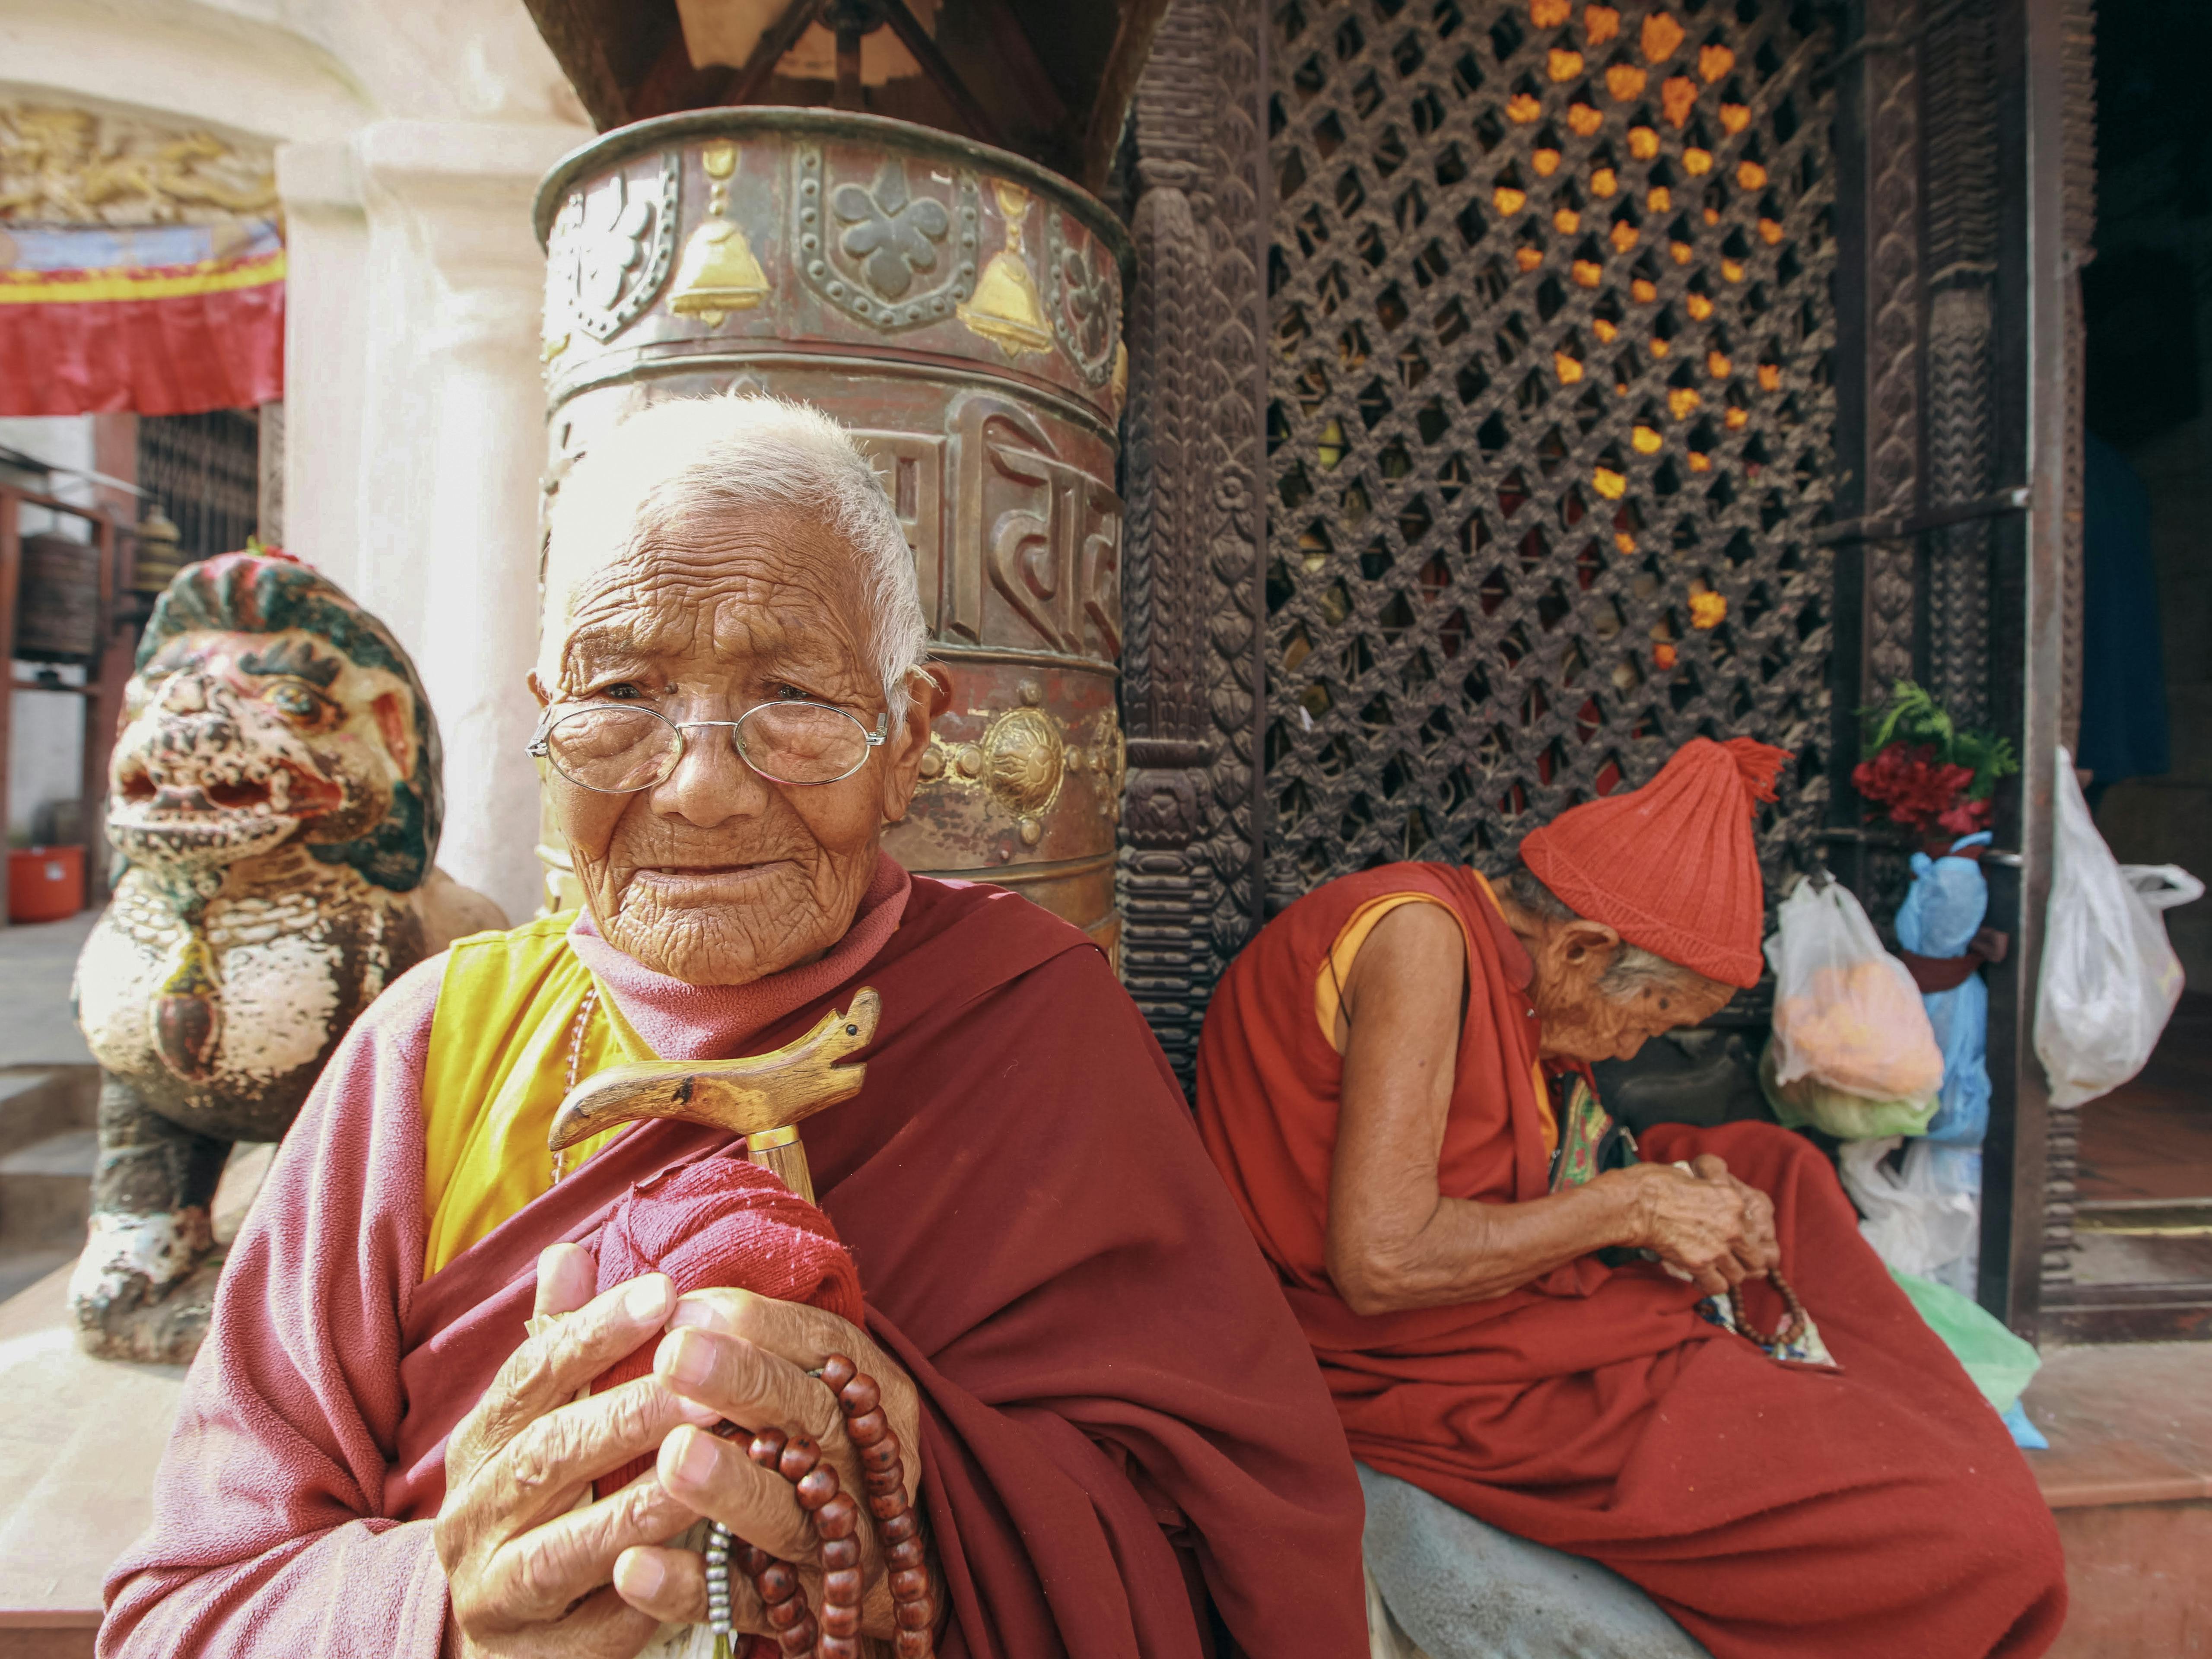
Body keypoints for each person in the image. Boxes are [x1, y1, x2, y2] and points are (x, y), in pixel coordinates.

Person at [101, 394, 1367, 1659]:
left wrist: (938, 1520)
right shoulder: (431, 1047)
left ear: (908, 738)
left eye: (793, 696)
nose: (701, 788)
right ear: (550, 725)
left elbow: (1242, 1555)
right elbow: (185, 1611)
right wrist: (443, 1610)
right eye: (622, 695)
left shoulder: (1033, 1018)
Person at [1194, 738, 2068, 1659]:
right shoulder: (1419, 943)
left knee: (1771, 1170)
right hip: (1414, 1362)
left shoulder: (1519, 979)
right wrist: (1635, 1210)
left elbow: (1525, 1156)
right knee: (1972, 1545)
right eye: (1652, 1016)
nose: (1633, 1047)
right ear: (1581, 946)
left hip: (1516, 1321)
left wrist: (1680, 1191)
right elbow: (1384, 1260)